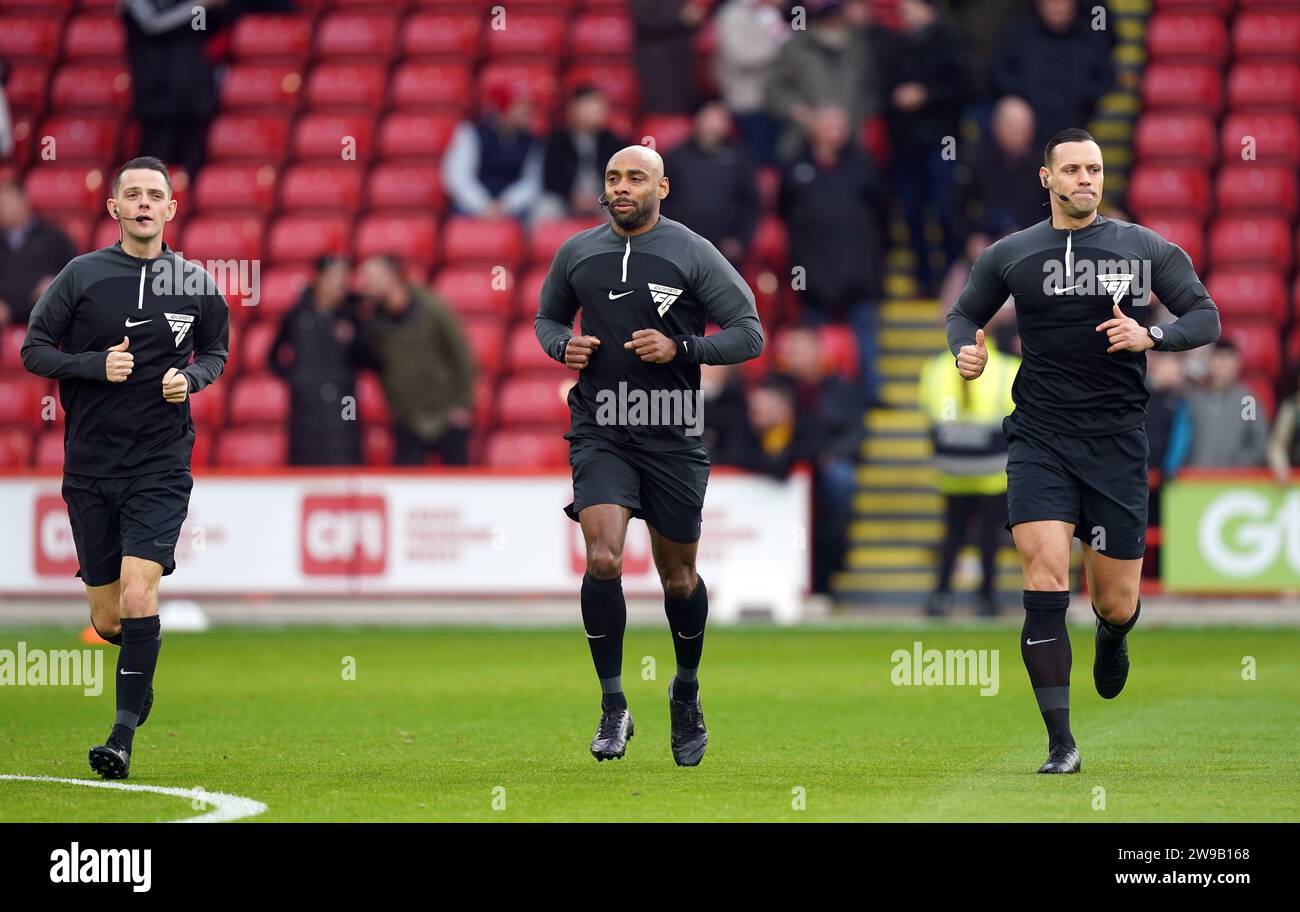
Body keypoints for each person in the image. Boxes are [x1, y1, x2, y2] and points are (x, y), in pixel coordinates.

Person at [946, 128, 1220, 774]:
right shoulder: (1012, 254)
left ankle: (1114, 634)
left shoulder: (1143, 248)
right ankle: (1061, 743)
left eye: (1093, 169)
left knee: (1115, 600)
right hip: (1039, 435)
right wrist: (968, 346)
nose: (1084, 180)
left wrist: (1151, 334)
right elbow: (964, 313)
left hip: (1117, 441)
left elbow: (1204, 317)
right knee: (1043, 578)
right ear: (1047, 179)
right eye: (1070, 169)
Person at [534, 144, 763, 766]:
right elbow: (548, 317)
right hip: (601, 427)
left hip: (672, 431)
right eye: (614, 178)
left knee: (679, 577)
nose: (623, 187)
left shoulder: (691, 251)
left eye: (636, 177)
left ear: (663, 188)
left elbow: (749, 332)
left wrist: (682, 348)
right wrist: (563, 347)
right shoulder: (577, 252)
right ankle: (613, 705)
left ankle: (685, 691)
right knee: (603, 558)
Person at [20, 156, 229, 780]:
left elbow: (215, 350)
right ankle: (142, 664)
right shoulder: (81, 276)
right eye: (131, 194)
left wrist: (189, 379)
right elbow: (34, 349)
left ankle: (120, 737)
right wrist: (91, 365)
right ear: (114, 209)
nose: (143, 203)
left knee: (142, 591)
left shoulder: (195, 283)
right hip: (89, 468)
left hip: (160, 464)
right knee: (111, 618)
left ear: (170, 208)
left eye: (154, 195)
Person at [778, 105, 887, 401]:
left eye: (839, 126)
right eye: (828, 126)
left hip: (857, 269)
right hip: (811, 272)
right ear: (813, 130)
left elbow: (882, 214)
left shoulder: (863, 166)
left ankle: (869, 392)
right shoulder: (795, 168)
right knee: (813, 341)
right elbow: (784, 213)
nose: (834, 133)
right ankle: (815, 396)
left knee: (865, 336)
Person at [919, 312, 1018, 618]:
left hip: (952, 468)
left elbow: (930, 413)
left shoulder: (935, 368)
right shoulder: (1006, 368)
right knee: (989, 536)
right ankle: (985, 598)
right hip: (992, 469)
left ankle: (941, 596)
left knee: (953, 533)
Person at [878, 0, 969, 296]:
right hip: (905, 144)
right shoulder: (894, 44)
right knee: (912, 212)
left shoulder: (950, 40)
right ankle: (925, 278)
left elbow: (966, 86)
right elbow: (881, 90)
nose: (904, 10)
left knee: (946, 208)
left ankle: (953, 275)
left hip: (942, 141)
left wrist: (925, 95)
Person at [358, 255, 475, 466]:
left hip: (446, 416)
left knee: (458, 485)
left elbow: (463, 357)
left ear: (392, 277)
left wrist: (462, 404)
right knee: (406, 485)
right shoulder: (372, 320)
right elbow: (372, 362)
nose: (364, 284)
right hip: (407, 421)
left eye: (371, 278)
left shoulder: (432, 307)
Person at [268, 253, 364, 466]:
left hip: (345, 402)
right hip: (306, 407)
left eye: (344, 278)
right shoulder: (297, 314)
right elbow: (273, 357)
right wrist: (297, 379)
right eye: (335, 277)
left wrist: (355, 339)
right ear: (319, 278)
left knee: (345, 448)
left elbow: (370, 356)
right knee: (306, 460)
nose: (340, 284)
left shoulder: (355, 314)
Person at [121, 0, 224, 179]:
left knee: (191, 174)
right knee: (155, 174)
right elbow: (152, 23)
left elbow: (204, 28)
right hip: (156, 101)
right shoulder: (138, 3)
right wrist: (200, 5)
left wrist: (210, 9)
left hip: (193, 99)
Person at [989, 0, 1113, 147]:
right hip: (1028, 130)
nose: (1057, 6)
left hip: (1074, 124)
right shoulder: (1017, 34)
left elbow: (1105, 79)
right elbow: (997, 75)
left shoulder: (1090, 38)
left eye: (1062, 2)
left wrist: (1081, 97)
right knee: (1012, 111)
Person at [660, 98, 761, 268]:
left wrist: (740, 240)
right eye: (708, 118)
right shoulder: (674, 158)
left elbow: (751, 204)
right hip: (680, 248)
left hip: (724, 251)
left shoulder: (740, 160)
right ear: (696, 120)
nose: (712, 126)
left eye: (718, 119)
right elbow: (658, 201)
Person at [441, 84, 542, 219]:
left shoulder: (531, 140)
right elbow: (457, 176)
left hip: (512, 208)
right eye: (519, 106)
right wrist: (482, 205)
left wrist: (507, 204)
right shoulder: (471, 133)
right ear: (503, 107)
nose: (527, 112)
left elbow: (532, 180)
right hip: (472, 205)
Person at [1173, 338, 1270, 470]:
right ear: (1209, 362)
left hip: (1231, 483)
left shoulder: (1247, 401)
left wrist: (1240, 466)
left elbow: (1258, 441)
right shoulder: (1193, 398)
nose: (1223, 363)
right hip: (1193, 480)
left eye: (1228, 358)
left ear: (1238, 363)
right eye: (1218, 357)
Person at [713, 0, 789, 165]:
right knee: (757, 161)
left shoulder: (771, 13)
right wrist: (780, 50)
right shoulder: (732, 14)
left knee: (779, 159)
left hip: (775, 101)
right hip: (747, 101)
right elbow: (740, 56)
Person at [534, 85, 625, 223]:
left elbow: (622, 180)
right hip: (566, 200)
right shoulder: (557, 142)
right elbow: (550, 180)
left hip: (603, 201)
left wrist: (602, 198)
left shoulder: (614, 143)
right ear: (574, 110)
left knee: (622, 211)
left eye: (602, 108)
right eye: (592, 108)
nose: (600, 112)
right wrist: (571, 198)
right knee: (545, 208)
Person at [0, 180, 79, 328]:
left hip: (45, 313)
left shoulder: (53, 236)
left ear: (24, 201)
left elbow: (76, 273)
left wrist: (55, 284)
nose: (2, 209)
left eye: (5, 204)